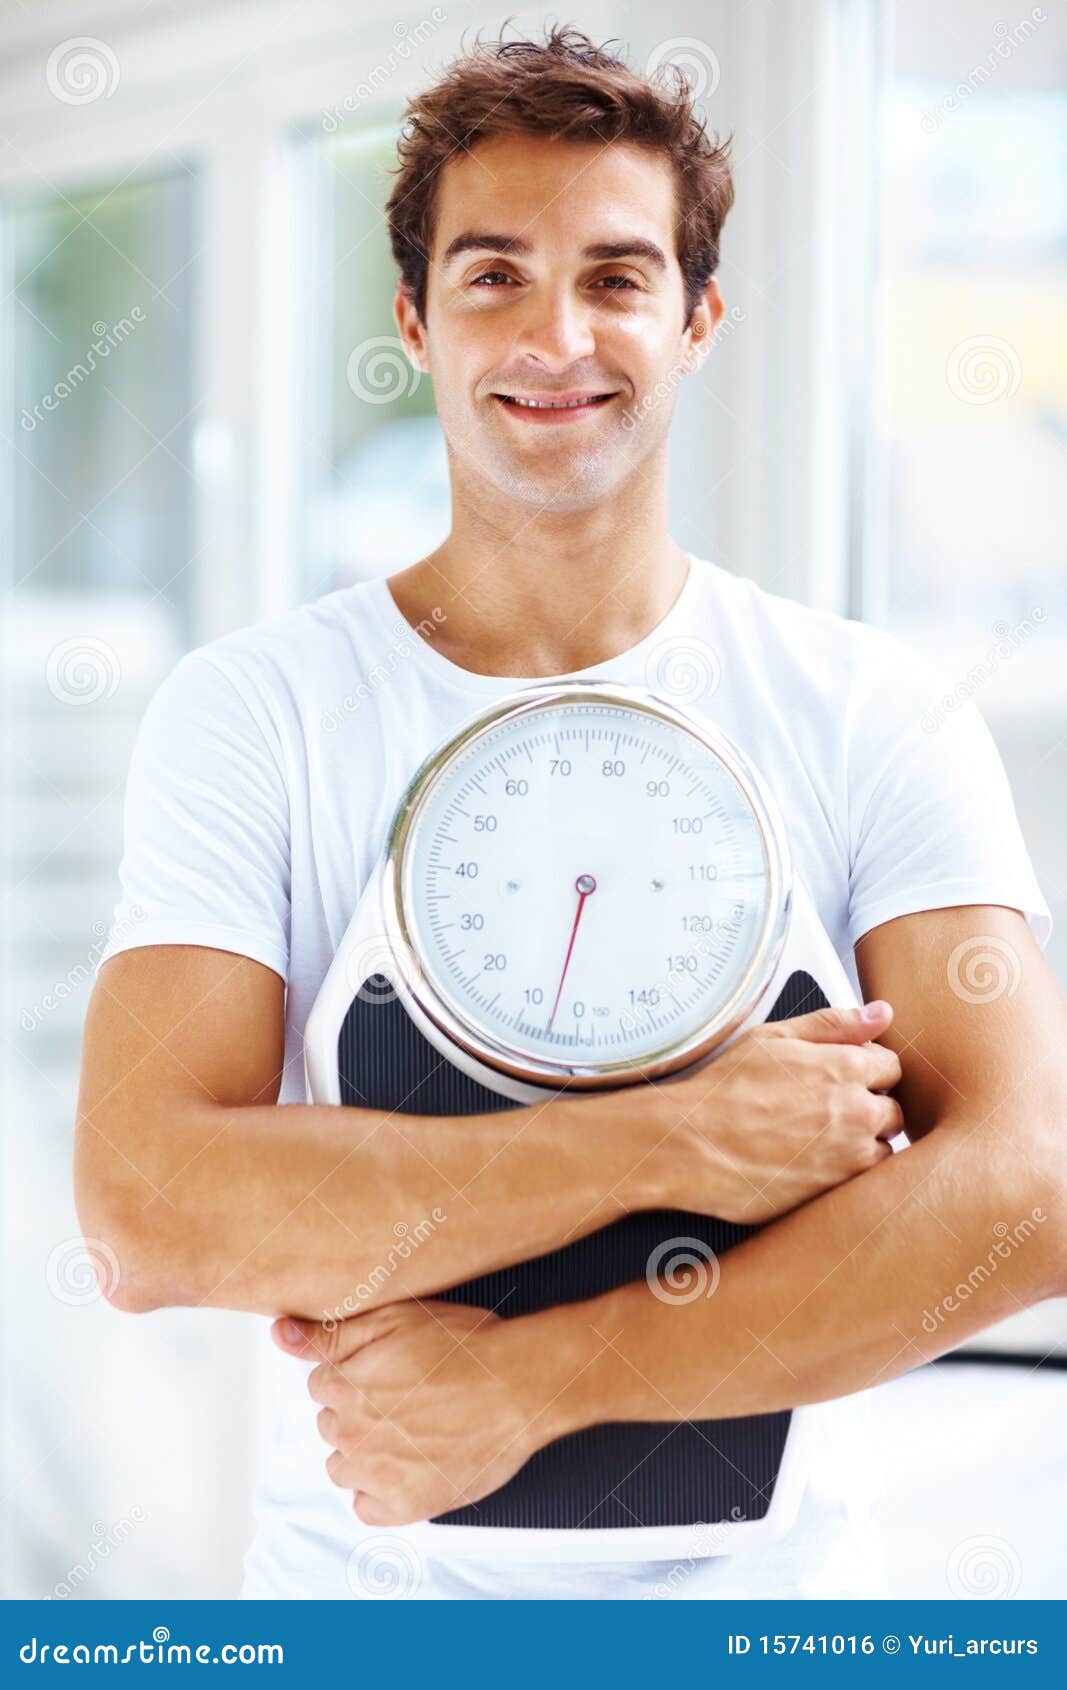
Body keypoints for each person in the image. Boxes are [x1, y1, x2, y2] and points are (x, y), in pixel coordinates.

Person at [76, 24, 1066, 1601]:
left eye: (616, 277)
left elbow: (1025, 1191)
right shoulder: (255, 711)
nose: (556, 335)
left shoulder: (876, 711)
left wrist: (535, 1380)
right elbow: (148, 1213)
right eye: (493, 277)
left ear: (700, 320)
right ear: (413, 320)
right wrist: (678, 1134)